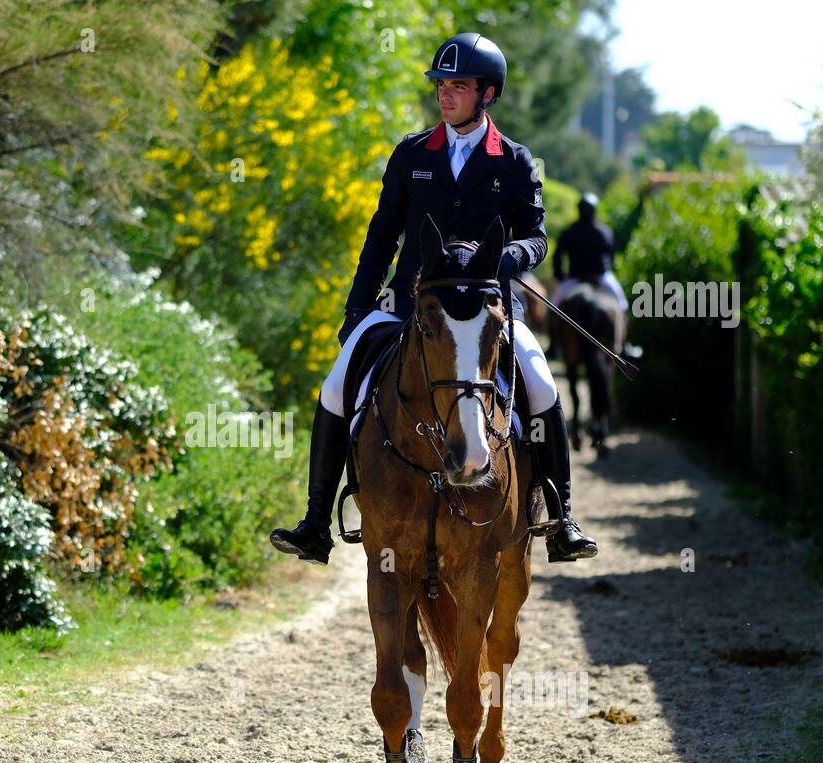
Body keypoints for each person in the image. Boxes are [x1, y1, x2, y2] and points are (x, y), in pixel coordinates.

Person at [269, 32, 598, 566]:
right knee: (335, 385)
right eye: (442, 85)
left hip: (486, 309)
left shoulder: (515, 162)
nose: (446, 95)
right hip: (411, 304)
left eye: (459, 86)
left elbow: (536, 238)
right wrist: (357, 308)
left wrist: (504, 261)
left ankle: (562, 520)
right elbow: (382, 234)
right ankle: (314, 523)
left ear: (487, 94)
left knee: (541, 384)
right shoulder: (411, 154)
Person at [552, 192, 628, 353]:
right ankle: (624, 346)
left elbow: (557, 255)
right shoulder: (604, 231)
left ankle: (553, 344)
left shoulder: (570, 231)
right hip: (601, 278)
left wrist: (560, 275)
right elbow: (611, 256)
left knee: (554, 306)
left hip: (574, 279)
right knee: (621, 304)